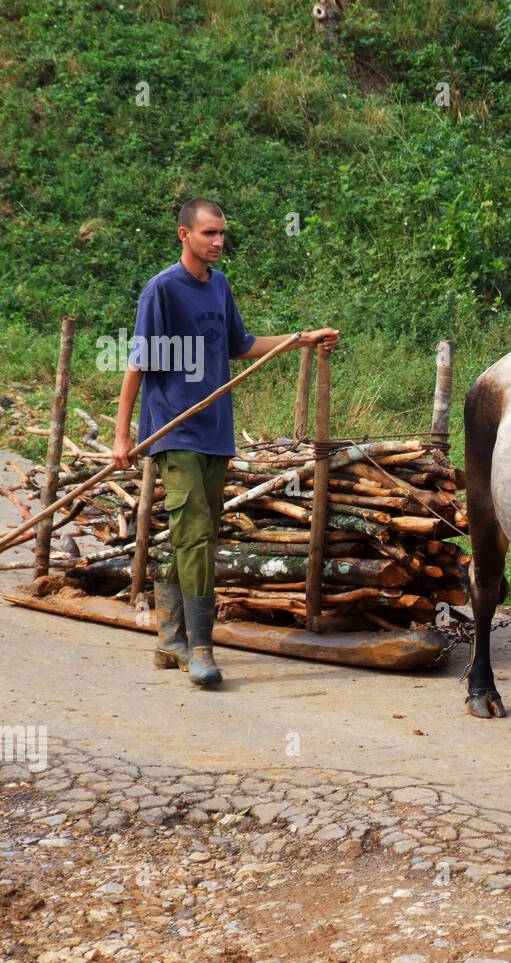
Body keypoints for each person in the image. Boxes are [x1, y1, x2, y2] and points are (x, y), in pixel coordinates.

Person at [112, 197, 338, 687]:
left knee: (199, 534)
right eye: (209, 233)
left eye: (222, 234)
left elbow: (242, 346)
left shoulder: (219, 288)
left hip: (215, 430)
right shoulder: (162, 291)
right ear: (184, 235)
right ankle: (200, 649)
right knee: (194, 533)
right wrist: (121, 435)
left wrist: (300, 338)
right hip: (175, 430)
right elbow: (136, 366)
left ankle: (170, 637)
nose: (217, 242)